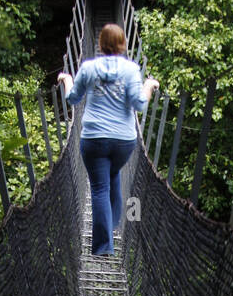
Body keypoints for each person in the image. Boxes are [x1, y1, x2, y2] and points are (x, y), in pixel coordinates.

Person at [58, 25, 159, 256]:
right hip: (123, 142)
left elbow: (73, 99)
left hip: (94, 139)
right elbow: (140, 105)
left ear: (101, 44)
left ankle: (104, 246)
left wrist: (67, 79)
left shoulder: (89, 67)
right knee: (112, 174)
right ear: (123, 44)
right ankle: (112, 224)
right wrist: (149, 85)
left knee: (100, 187)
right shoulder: (132, 70)